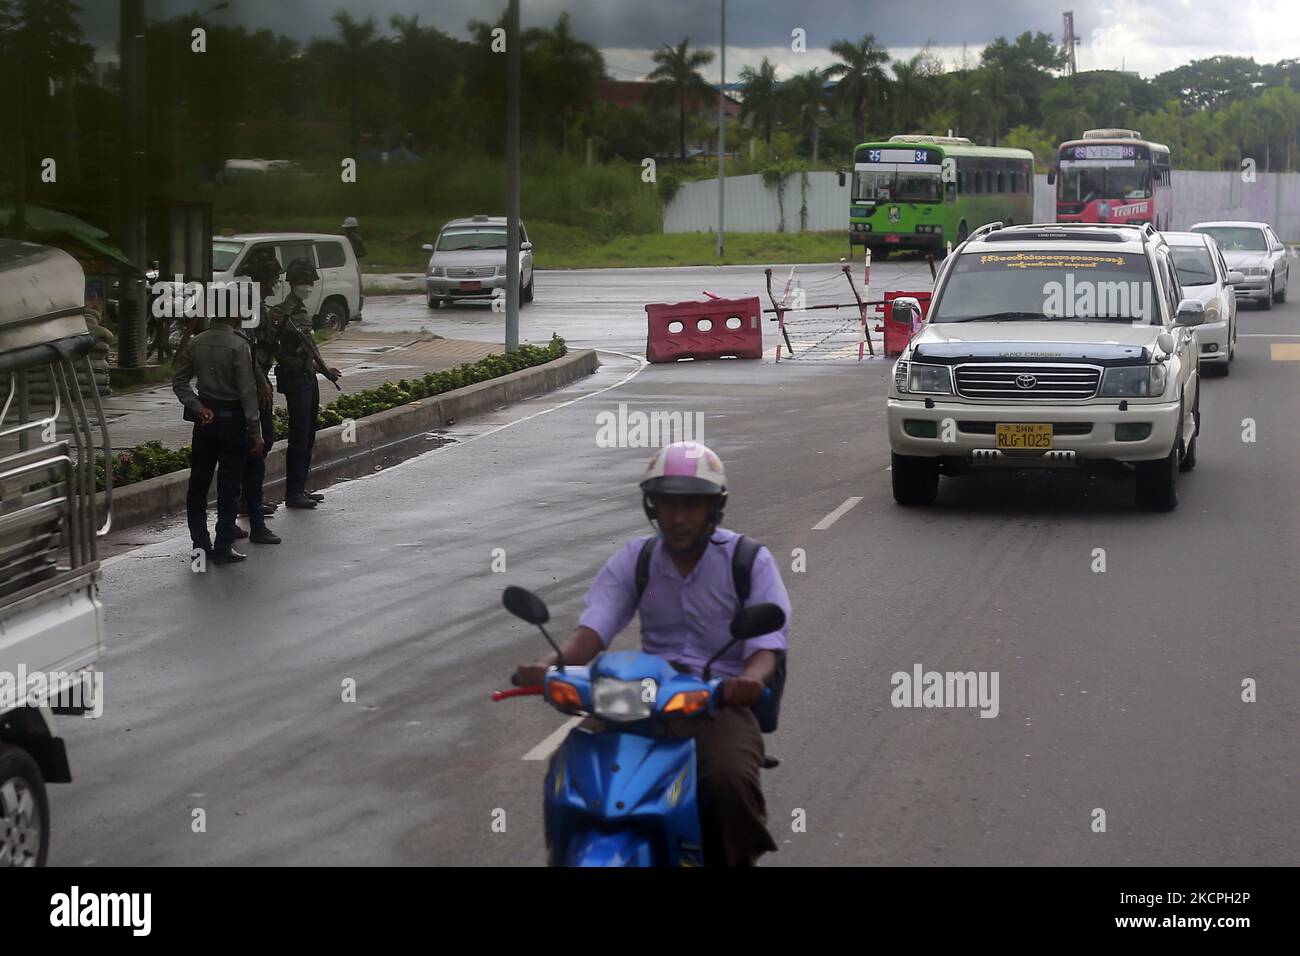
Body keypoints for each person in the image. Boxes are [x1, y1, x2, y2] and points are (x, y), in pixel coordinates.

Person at [514, 441, 790, 866]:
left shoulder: (747, 560)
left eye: (691, 505)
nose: (677, 517)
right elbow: (593, 631)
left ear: (714, 507)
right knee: (568, 769)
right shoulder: (636, 558)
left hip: (716, 700)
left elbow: (765, 648)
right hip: (643, 696)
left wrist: (748, 681)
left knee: (726, 779)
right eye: (666, 503)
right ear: (652, 506)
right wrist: (551, 667)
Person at [172, 312, 265, 564]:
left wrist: (197, 407)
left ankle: (199, 545)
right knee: (229, 486)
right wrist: (256, 433)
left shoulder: (196, 342)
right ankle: (223, 545)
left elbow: (179, 382)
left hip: (205, 420)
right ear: (233, 315)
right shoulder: (239, 344)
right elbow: (247, 393)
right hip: (232, 421)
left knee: (198, 485)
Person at [271, 258, 341, 509]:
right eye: (304, 282)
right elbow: (272, 348)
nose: (308, 286)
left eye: (310, 282)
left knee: (309, 435)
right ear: (293, 284)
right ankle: (293, 493)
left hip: (308, 377)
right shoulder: (281, 313)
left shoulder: (301, 312)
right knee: (298, 436)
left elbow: (311, 349)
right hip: (294, 378)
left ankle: (300, 487)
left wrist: (325, 370)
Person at [231, 247, 284, 543]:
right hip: (250, 385)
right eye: (272, 278)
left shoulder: (259, 304)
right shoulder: (246, 305)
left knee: (263, 442)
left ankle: (250, 497)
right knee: (255, 443)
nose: (275, 283)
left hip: (258, 379)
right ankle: (246, 501)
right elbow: (247, 351)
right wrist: (262, 381)